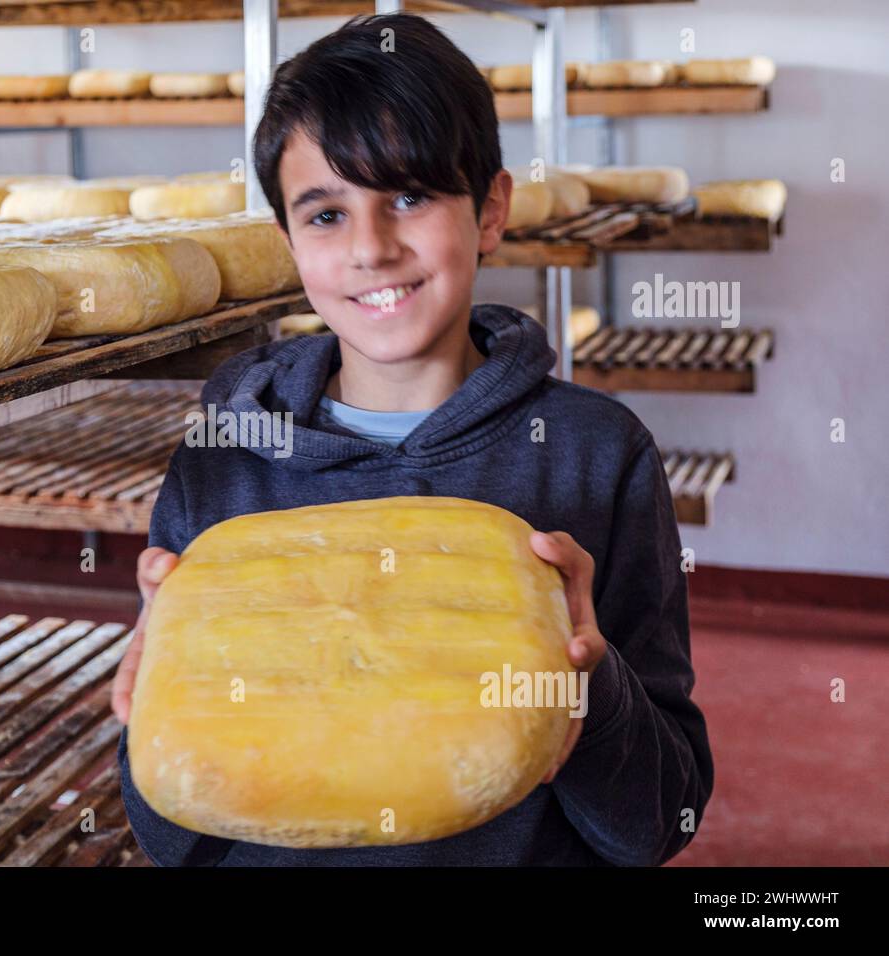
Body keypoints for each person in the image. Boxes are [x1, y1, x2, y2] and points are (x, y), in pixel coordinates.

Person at [111, 11, 713, 866]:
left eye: (409, 196)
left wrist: (591, 683)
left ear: (491, 210)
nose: (372, 248)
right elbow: (172, 835)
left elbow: (659, 821)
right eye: (325, 215)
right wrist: (155, 692)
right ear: (287, 242)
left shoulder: (596, 454)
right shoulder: (225, 458)